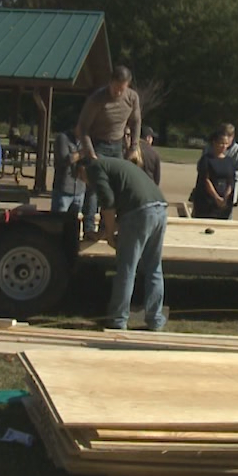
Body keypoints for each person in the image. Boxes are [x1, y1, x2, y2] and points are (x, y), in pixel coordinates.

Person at [75, 153, 168, 331]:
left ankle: (118, 320)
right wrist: (103, 234)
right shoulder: (115, 166)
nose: (85, 183)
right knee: (153, 267)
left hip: (139, 213)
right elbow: (124, 209)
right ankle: (155, 320)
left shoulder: (95, 168)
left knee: (127, 268)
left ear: (82, 168)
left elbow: (109, 204)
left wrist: (110, 236)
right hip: (160, 209)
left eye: (81, 177)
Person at [76, 66, 141, 235]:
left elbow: (135, 123)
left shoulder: (132, 98)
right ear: (110, 82)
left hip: (117, 144)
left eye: (122, 88)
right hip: (98, 143)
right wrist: (90, 152)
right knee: (94, 186)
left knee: (114, 187)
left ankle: (107, 227)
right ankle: (89, 227)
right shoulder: (97, 99)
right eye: (116, 88)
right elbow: (83, 128)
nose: (118, 92)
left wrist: (133, 147)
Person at [202, 123, 238, 218]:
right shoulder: (209, 148)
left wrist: (228, 177)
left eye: (229, 136)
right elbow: (203, 171)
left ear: (233, 136)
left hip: (227, 193)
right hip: (208, 193)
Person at [191, 129, 237, 219]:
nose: (224, 146)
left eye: (226, 143)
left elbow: (231, 181)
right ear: (214, 142)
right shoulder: (206, 159)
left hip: (224, 203)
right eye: (221, 143)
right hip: (207, 201)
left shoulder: (230, 161)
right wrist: (216, 198)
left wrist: (225, 198)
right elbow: (206, 180)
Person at [51, 129, 85, 215]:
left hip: (80, 191)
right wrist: (83, 152)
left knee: (74, 224)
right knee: (58, 223)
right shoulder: (62, 138)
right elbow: (65, 160)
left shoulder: (84, 141)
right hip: (63, 190)